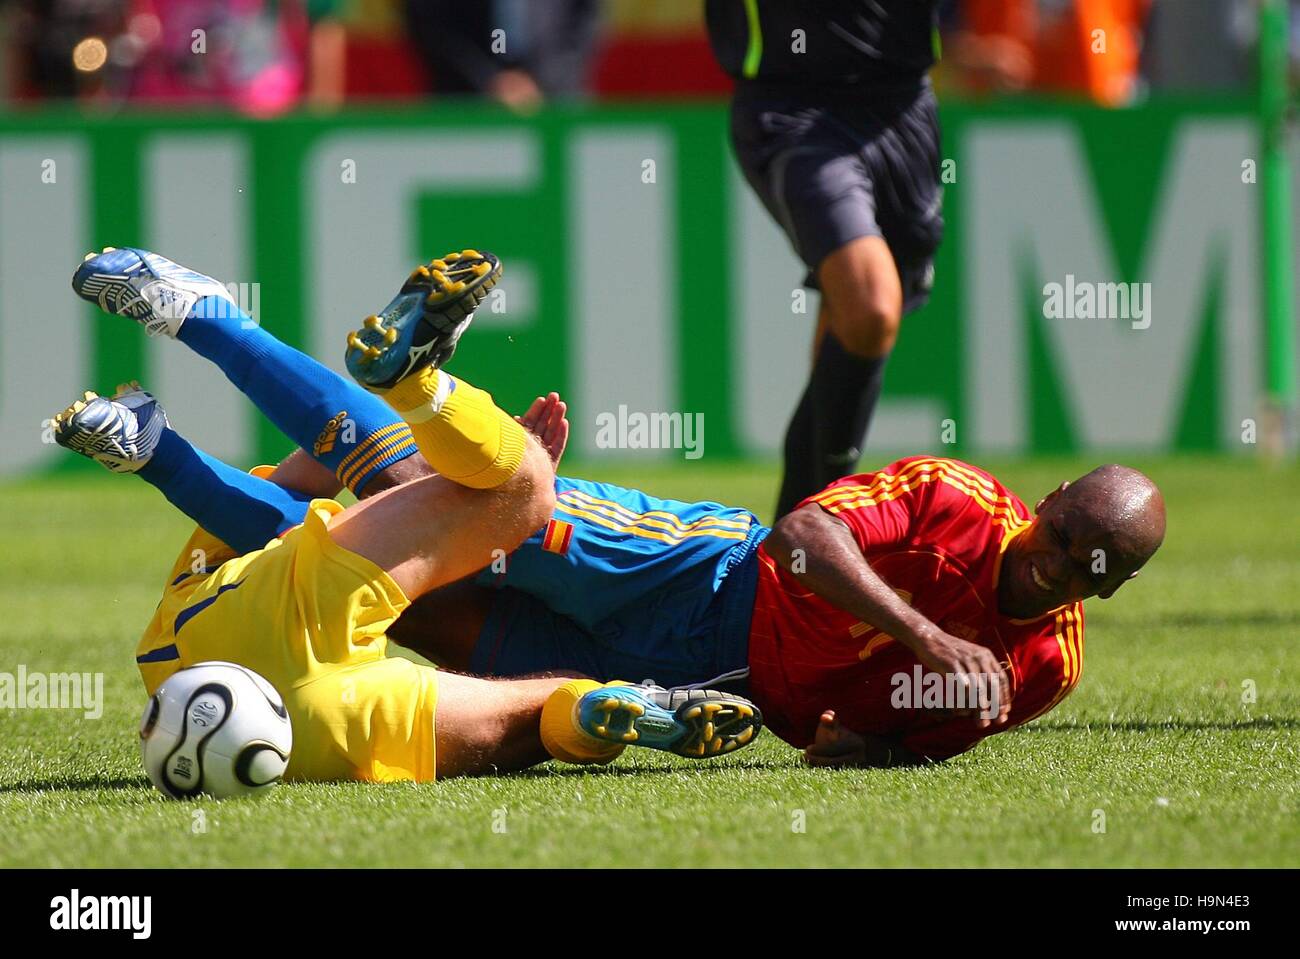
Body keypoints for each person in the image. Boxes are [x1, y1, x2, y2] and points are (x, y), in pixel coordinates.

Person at [53, 246, 763, 782]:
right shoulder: (171, 642)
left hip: (285, 701)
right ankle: (183, 398)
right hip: (283, 681)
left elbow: (320, 473)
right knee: (500, 555)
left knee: (511, 519)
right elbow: (321, 472)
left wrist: (482, 475)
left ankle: (386, 376)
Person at [392, 444, 1165, 767]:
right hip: (697, 573)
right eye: (1062, 534)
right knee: (453, 510)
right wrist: (925, 635)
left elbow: (924, 742)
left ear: (1114, 586)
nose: (1056, 564)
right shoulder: (955, 498)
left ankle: (286, 572)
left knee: (407, 607)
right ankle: (379, 386)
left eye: (1090, 567)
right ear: (1050, 499)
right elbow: (800, 535)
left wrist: (865, 748)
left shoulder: (1047, 669)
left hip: (713, 687)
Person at [705, 0, 946, 517]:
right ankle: (829, 520)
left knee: (846, 338)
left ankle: (794, 536)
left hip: (904, 109)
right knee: (869, 307)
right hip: (794, 109)